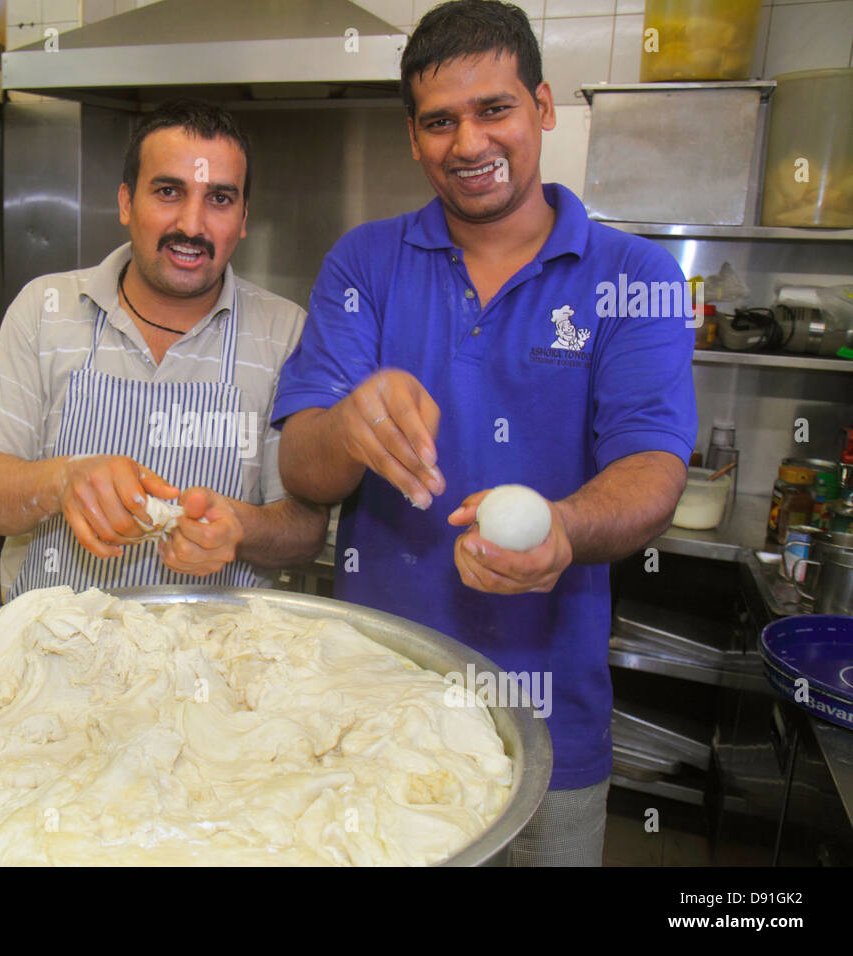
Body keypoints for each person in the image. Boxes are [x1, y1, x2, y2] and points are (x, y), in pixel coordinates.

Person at [272, 0, 697, 866]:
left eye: (493, 109)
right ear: (414, 137)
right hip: (370, 721)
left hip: (548, 730)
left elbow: (653, 467)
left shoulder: (634, 276)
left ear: (542, 105)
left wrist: (564, 530)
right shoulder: (365, 264)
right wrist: (348, 430)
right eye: (439, 122)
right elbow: (304, 472)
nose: (467, 143)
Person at [0, 100, 326, 598]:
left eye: (219, 199)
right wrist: (62, 482)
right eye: (169, 192)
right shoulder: (46, 309)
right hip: (56, 651)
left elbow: (305, 530)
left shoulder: (285, 333)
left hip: (219, 658)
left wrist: (242, 528)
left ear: (242, 219)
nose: (192, 226)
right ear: (126, 203)